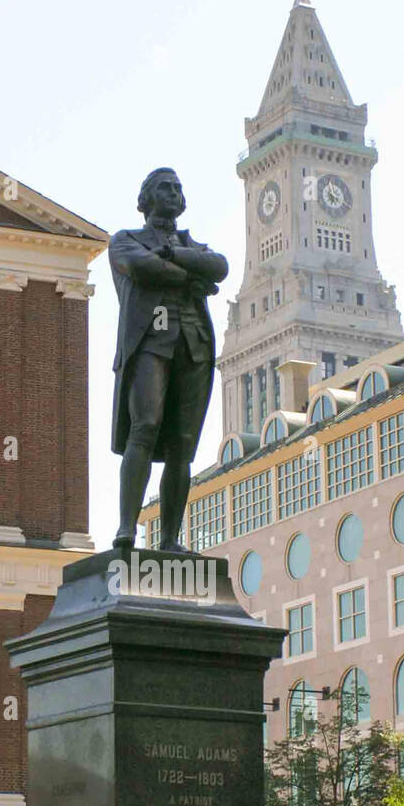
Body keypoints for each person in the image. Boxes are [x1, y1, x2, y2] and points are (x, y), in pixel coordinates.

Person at [109, 167, 228, 549]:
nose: (174, 193)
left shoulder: (194, 246)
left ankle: (171, 540)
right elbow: (140, 267)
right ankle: (127, 529)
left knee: (183, 441)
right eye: (166, 187)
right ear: (147, 198)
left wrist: (174, 254)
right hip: (150, 343)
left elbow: (220, 268)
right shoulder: (126, 240)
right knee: (144, 427)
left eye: (178, 188)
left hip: (192, 345)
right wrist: (189, 276)